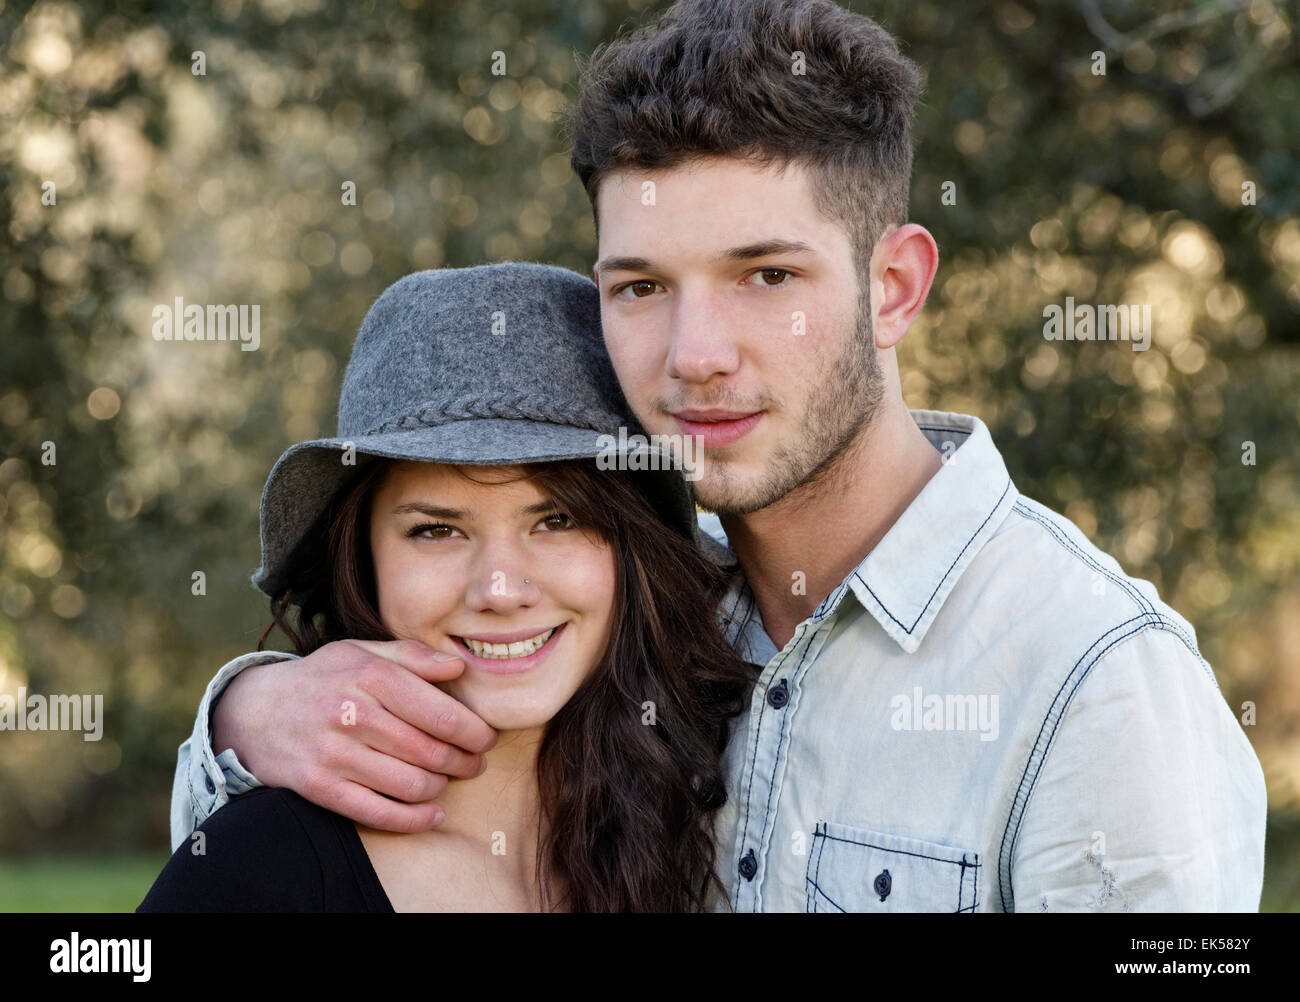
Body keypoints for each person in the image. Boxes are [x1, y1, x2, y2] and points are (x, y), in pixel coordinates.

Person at [168, 0, 1267, 911]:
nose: (693, 358)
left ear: (893, 288)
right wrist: (252, 713)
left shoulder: (1096, 688)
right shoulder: (643, 619)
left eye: (766, 277)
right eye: (642, 287)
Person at [139, 262, 756, 912]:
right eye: (436, 531)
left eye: (557, 520)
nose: (500, 589)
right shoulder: (258, 870)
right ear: (362, 558)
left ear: (631, 549)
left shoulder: (692, 837)